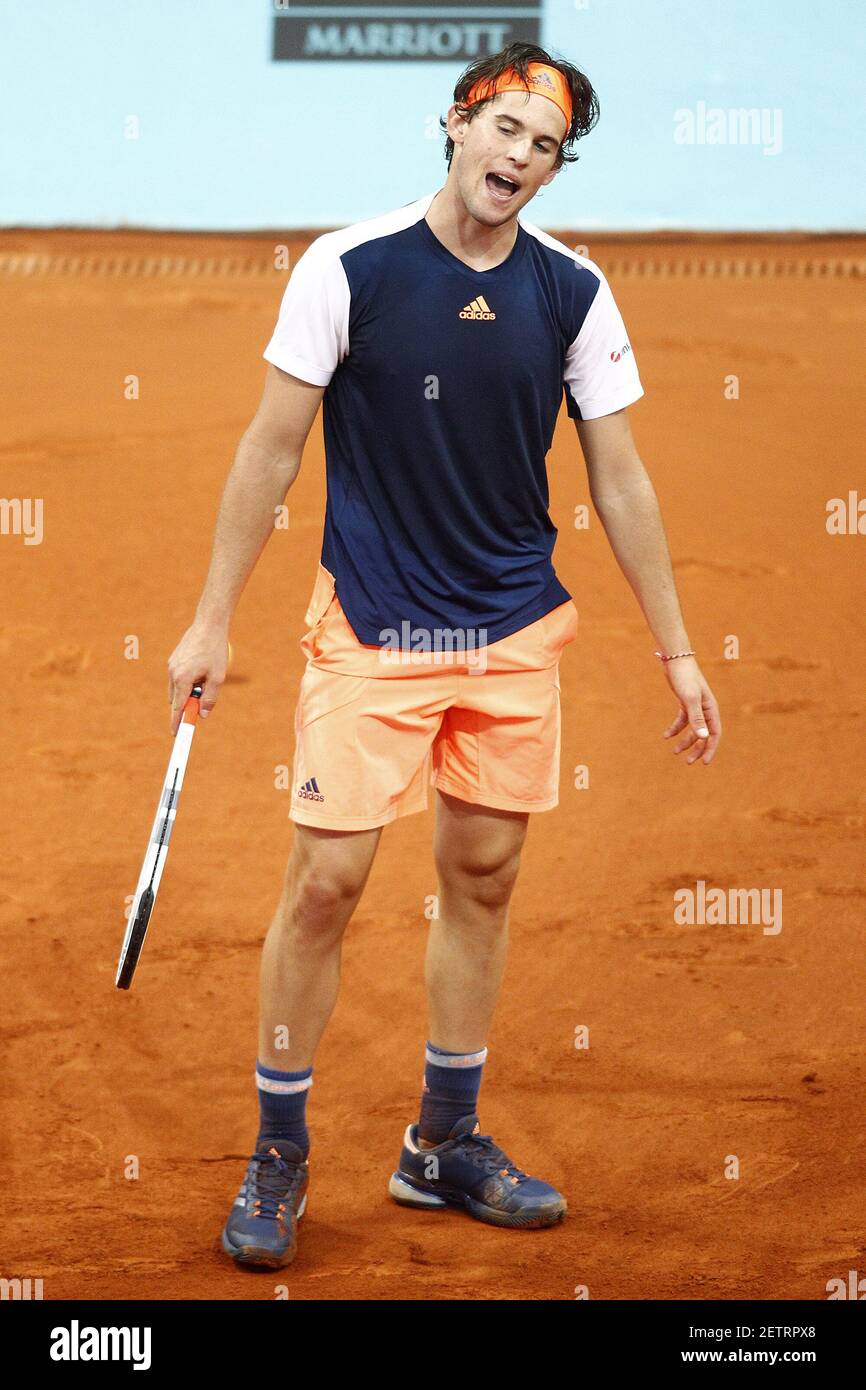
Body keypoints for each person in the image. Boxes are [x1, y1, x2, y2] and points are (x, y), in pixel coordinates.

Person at [167, 41, 721, 1269]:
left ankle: (442, 1142)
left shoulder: (571, 291)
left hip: (511, 630)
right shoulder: (347, 268)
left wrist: (676, 649)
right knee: (324, 885)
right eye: (503, 128)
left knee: (482, 876)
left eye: (543, 144)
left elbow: (616, 479)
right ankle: (280, 1148)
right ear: (455, 125)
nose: (518, 157)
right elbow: (269, 451)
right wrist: (210, 618)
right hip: (373, 625)